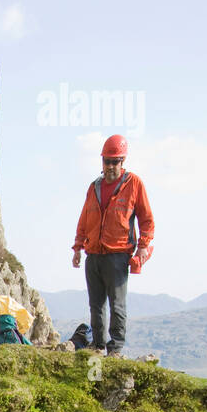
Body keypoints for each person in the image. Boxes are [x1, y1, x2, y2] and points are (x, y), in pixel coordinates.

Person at [72, 135, 154, 358]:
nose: (110, 166)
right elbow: (84, 219)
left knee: (117, 305)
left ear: (122, 161)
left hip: (118, 256)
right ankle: (98, 345)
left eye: (114, 161)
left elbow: (146, 219)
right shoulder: (94, 187)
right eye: (107, 161)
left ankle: (115, 348)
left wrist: (144, 246)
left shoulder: (134, 184)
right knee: (96, 305)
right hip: (94, 254)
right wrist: (78, 247)